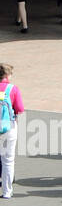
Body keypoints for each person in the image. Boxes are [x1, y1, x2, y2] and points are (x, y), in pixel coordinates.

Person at [0, 63, 23, 198]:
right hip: (8, 127)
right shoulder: (12, 89)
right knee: (8, 160)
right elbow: (19, 108)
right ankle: (7, 191)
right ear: (7, 75)